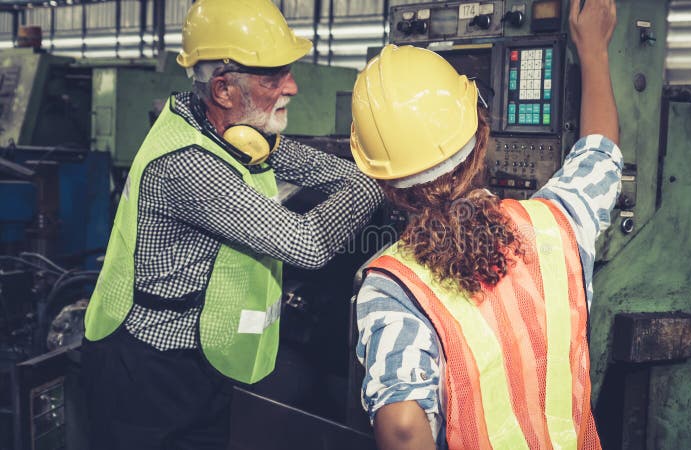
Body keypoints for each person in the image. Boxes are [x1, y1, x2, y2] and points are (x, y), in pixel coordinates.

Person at [80, 0, 383, 449]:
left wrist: (367, 176)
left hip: (202, 358)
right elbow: (310, 243)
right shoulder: (188, 165)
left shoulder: (235, 133)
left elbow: (337, 173)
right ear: (223, 89)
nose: (293, 87)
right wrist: (381, 183)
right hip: (152, 374)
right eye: (273, 76)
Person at [351, 0, 620, 448]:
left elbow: (401, 426)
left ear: (386, 183)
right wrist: (594, 54)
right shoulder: (556, 224)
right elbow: (599, 156)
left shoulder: (394, 283)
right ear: (481, 135)